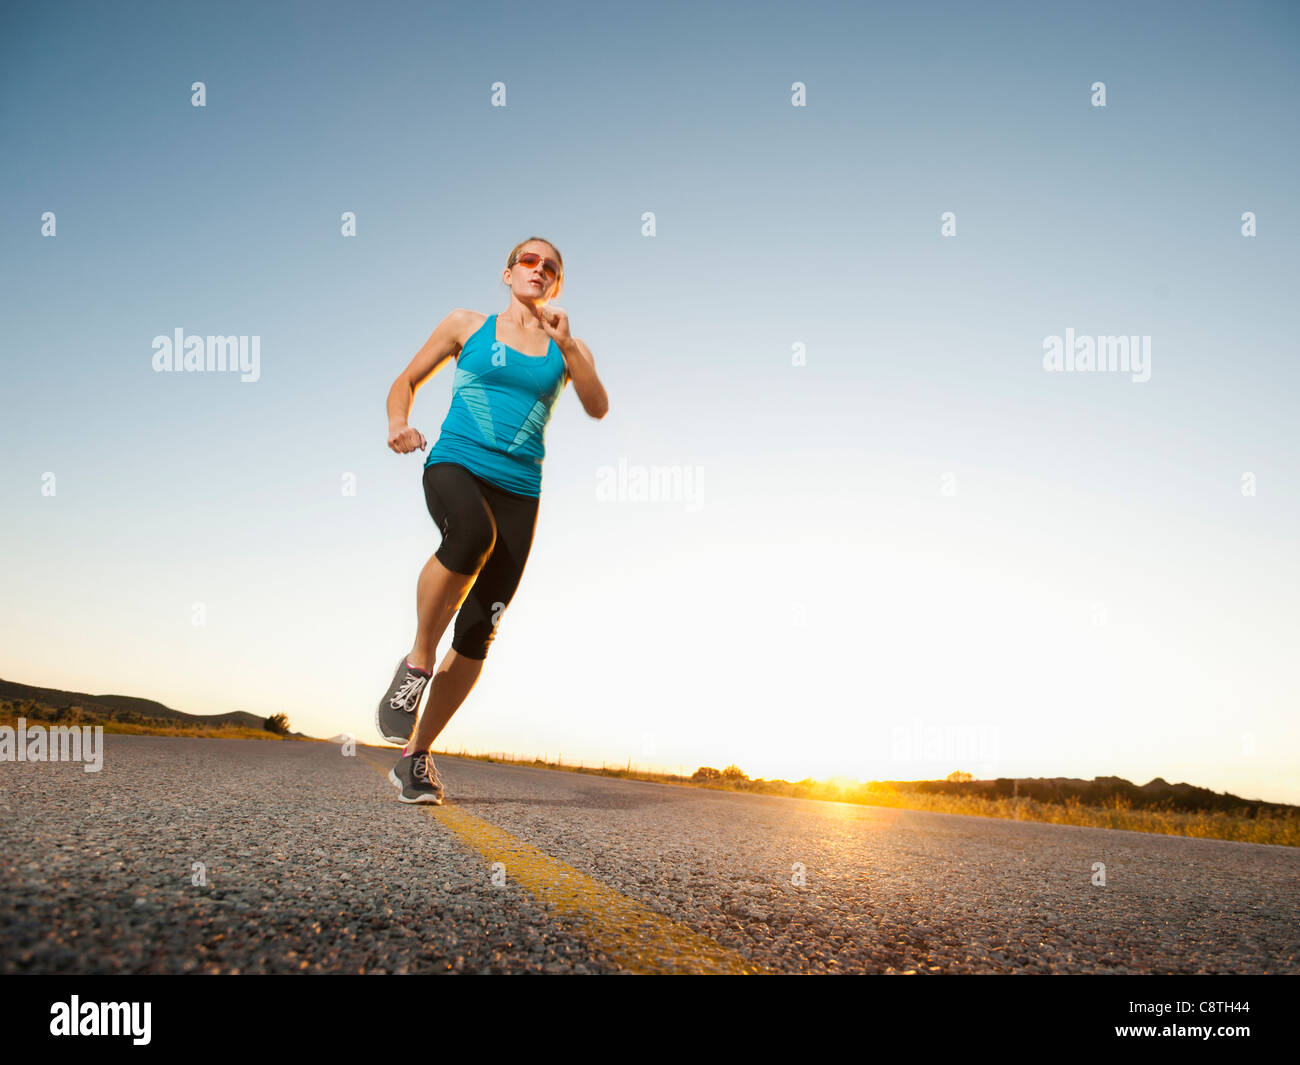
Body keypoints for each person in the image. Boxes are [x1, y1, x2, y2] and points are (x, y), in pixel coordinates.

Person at [377, 237, 609, 803]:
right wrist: (397, 423)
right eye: (530, 260)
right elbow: (404, 381)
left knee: (481, 630)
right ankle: (418, 660)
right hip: (456, 462)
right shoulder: (466, 325)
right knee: (471, 537)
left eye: (550, 268)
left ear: (555, 285)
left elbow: (598, 405)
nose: (540, 269)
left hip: (519, 492)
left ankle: (415, 757)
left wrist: (570, 346)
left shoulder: (565, 347)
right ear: (509, 273)